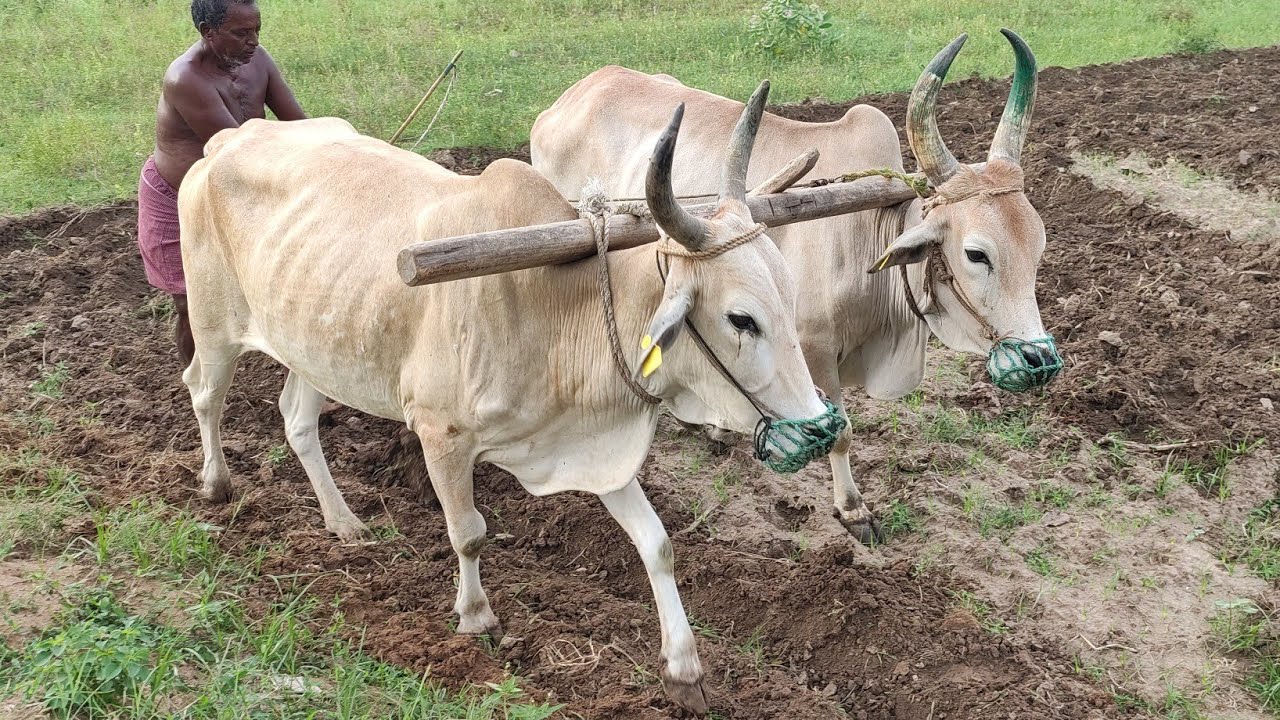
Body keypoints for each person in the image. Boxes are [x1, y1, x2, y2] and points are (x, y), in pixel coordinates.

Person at [138, 0, 306, 366]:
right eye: (241, 33)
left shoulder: (258, 59)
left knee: (277, 287)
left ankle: (305, 376)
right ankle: (196, 387)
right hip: (180, 196)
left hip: (239, 190)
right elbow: (237, 152)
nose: (253, 41)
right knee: (190, 302)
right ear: (207, 32)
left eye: (257, 30)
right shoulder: (185, 79)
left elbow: (296, 124)